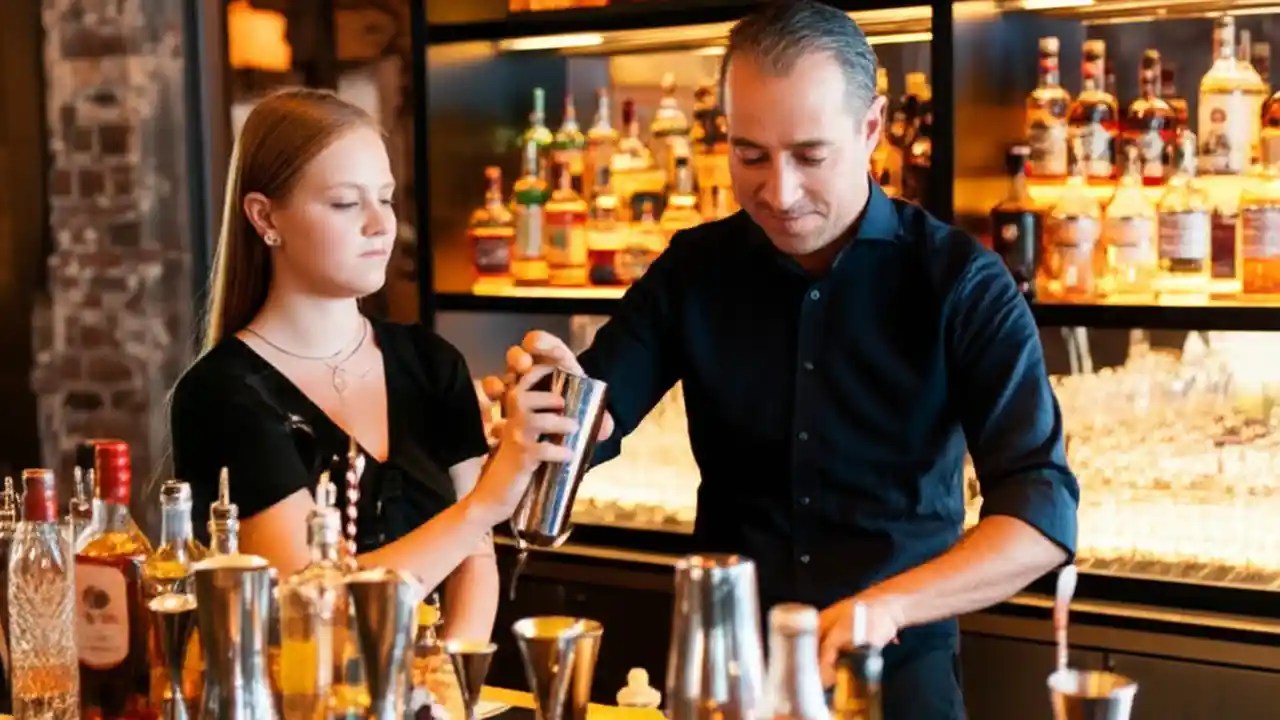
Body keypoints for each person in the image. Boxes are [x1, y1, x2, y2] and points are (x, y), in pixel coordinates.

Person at [487, 2, 1079, 717]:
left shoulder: (957, 282)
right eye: (750, 156)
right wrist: (551, 403)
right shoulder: (695, 270)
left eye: (809, 155)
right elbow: (596, 416)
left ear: (871, 128)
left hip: (893, 683)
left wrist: (887, 607)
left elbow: (1042, 515)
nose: (778, 192)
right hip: (728, 678)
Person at [170, 88, 583, 641]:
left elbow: (475, 565)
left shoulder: (431, 364)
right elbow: (310, 611)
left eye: (385, 198)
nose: (380, 224)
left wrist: (448, 693)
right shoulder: (224, 394)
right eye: (346, 203)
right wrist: (486, 504)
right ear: (266, 217)